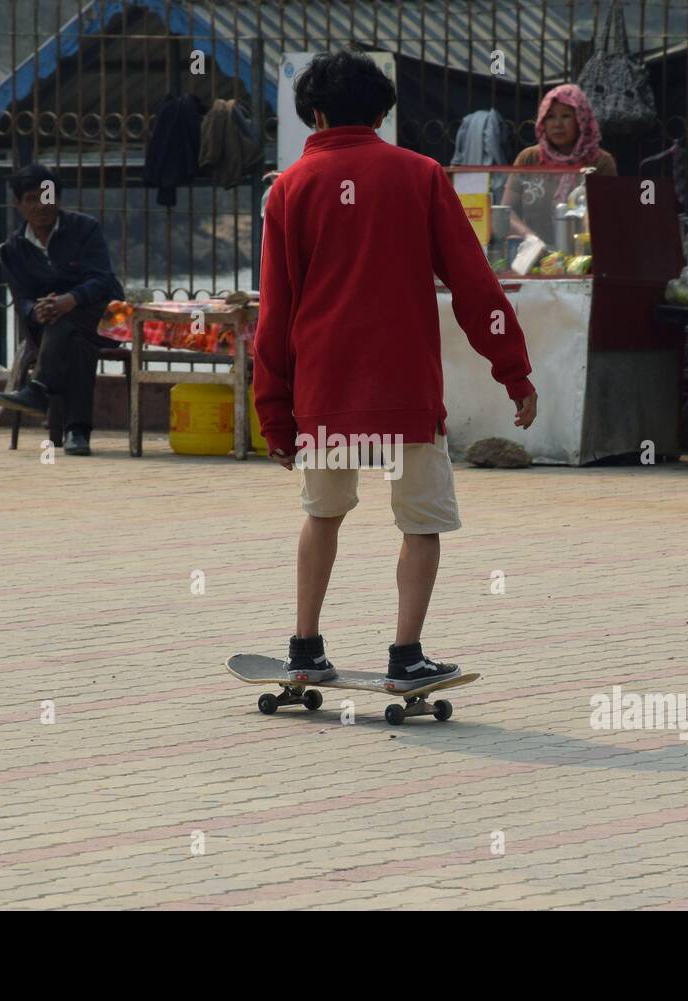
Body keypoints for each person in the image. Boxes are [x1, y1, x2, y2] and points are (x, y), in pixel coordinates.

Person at [253, 48, 537, 690]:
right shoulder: (421, 175)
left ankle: (304, 649)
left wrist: (274, 413)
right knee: (421, 522)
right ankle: (406, 658)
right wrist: (513, 372)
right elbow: (475, 285)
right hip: (405, 390)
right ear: (382, 113)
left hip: (324, 390)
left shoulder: (289, 190)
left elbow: (276, 314)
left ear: (315, 114)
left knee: (323, 514)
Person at [0, 164, 125, 456]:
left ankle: (38, 389)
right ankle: (77, 432)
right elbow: (23, 299)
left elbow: (102, 279)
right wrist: (35, 312)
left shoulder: (84, 229)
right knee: (75, 342)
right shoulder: (14, 248)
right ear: (18, 204)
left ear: (59, 199)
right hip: (57, 330)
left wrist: (71, 299)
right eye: (31, 198)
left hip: (108, 319)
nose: (41, 205)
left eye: (47, 196)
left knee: (65, 318)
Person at [502, 84, 617, 246]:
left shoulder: (600, 162)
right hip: (536, 260)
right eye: (550, 116)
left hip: (584, 259)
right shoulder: (528, 158)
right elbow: (506, 211)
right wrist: (531, 239)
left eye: (566, 116)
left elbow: (608, 216)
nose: (557, 124)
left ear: (581, 119)